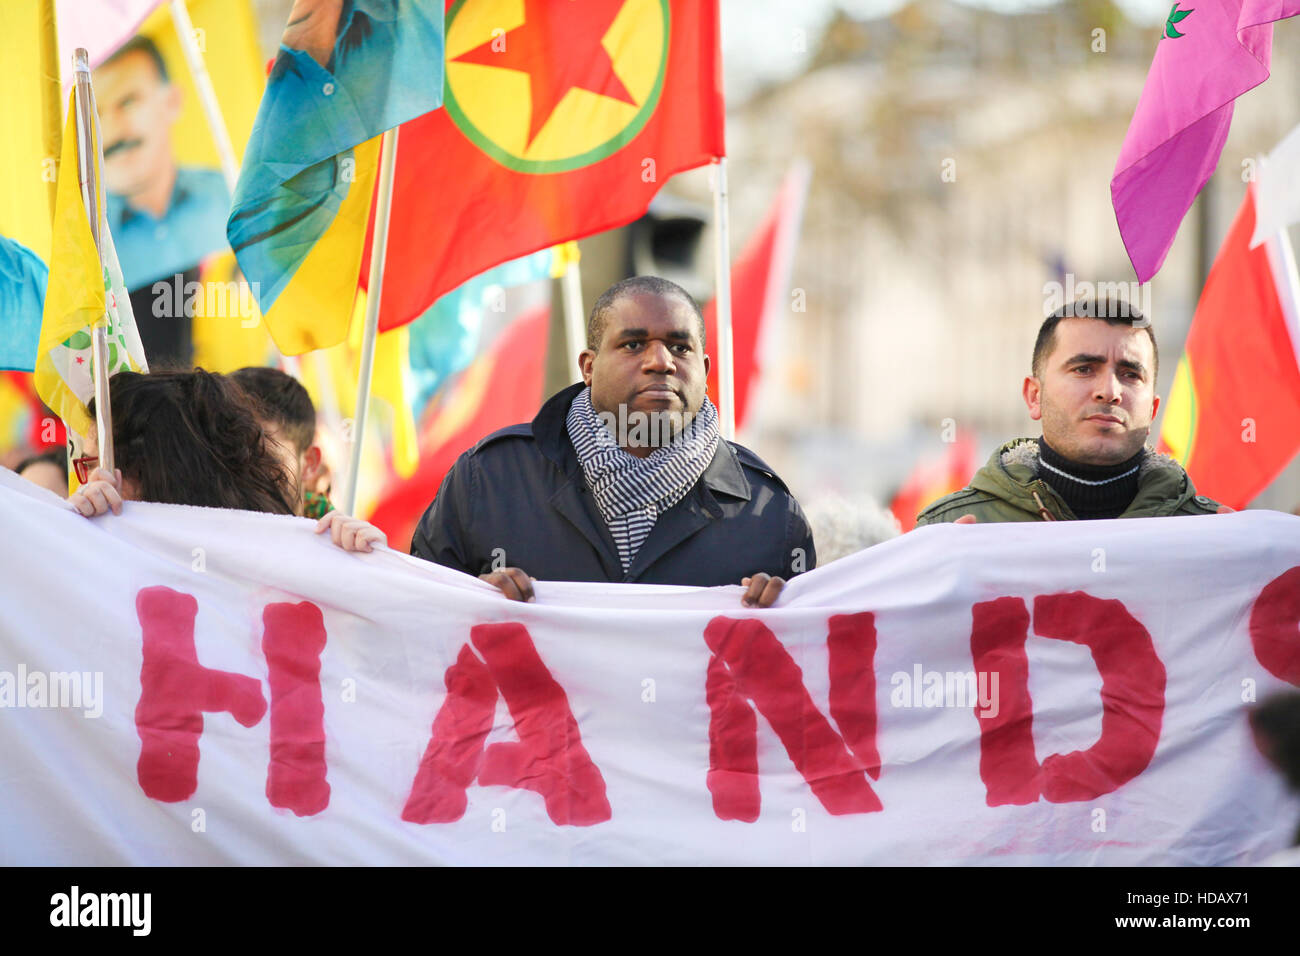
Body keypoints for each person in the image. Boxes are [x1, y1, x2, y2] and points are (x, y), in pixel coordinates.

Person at [410, 276, 816, 607]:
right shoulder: (490, 480)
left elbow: (805, 676)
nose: (661, 362)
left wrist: (780, 619)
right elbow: (413, 620)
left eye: (680, 346)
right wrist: (470, 602)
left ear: (705, 369)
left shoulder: (770, 514)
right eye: (633, 344)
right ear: (588, 367)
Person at [916, 297, 1228, 525]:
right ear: (1034, 396)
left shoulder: (1207, 535)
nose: (1109, 391)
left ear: (1153, 411)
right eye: (1084, 369)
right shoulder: (952, 529)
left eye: (1130, 374)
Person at [65, 369, 380, 553]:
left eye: (95, 463)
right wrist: (75, 531)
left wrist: (366, 568)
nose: (91, 480)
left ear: (146, 470)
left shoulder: (323, 546)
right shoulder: (92, 538)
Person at [94, 36, 231, 364]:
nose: (113, 129)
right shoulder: (86, 250)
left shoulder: (231, 199)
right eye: (95, 113)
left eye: (127, 102)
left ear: (171, 102)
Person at [229, 366, 331, 518]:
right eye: (230, 456)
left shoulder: (337, 539)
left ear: (309, 463)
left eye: (266, 463)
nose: (245, 478)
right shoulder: (193, 528)